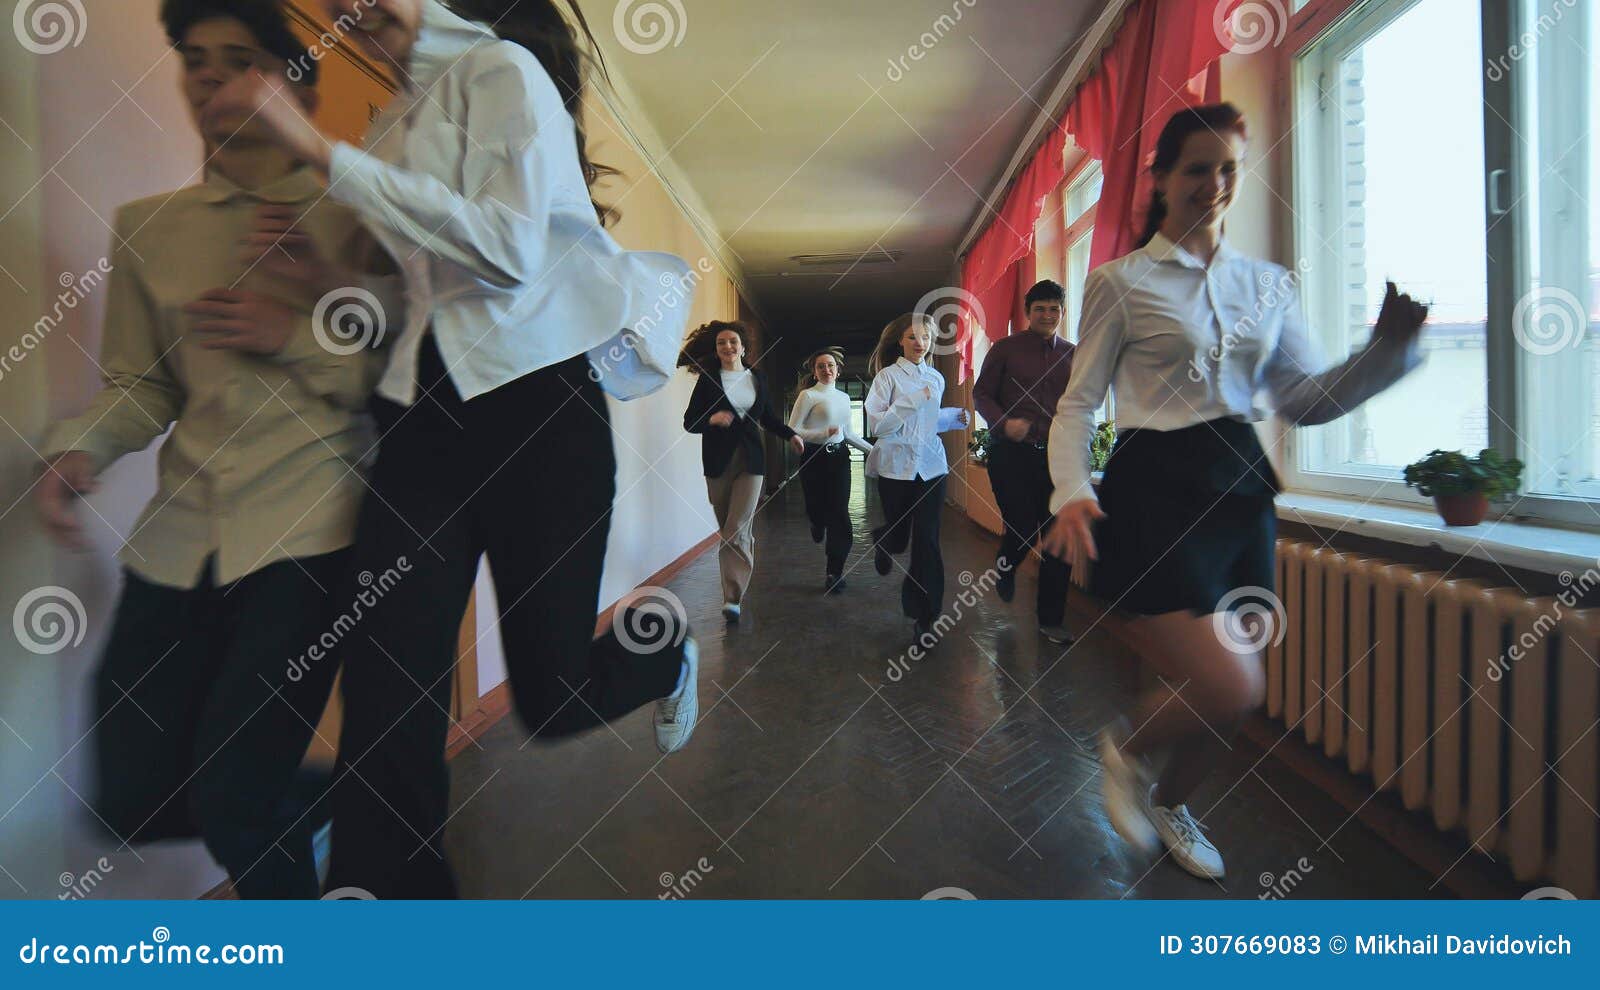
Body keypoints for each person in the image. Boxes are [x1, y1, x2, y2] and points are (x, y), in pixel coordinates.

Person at [200, 0, 702, 898]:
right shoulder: (394, 119)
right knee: (388, 696)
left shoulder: (501, 71)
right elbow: (428, 301)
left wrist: (323, 156)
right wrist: (325, 283)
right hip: (423, 423)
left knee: (551, 702)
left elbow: (509, 253)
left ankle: (667, 654)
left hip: (540, 417)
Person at [32, 0, 394, 899]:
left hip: (310, 537)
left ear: (291, 85)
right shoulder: (149, 227)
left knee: (236, 799)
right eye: (197, 61)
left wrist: (296, 333)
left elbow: (407, 380)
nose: (213, 82)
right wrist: (79, 452)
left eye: (240, 61)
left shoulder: (358, 211)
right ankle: (359, 797)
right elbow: (143, 383)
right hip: (178, 535)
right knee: (130, 798)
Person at [1041, 103, 1427, 881]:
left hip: (1241, 486)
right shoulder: (1121, 281)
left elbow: (1305, 400)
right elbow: (1080, 401)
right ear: (1159, 179)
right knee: (1228, 678)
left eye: (1227, 169)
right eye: (1195, 168)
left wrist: (1384, 354)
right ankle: (1126, 747)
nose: (1213, 184)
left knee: (1233, 698)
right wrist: (1070, 491)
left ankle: (1171, 803)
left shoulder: (1269, 284)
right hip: (1156, 484)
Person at [972, 278, 1077, 644]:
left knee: (1058, 538)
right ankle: (1006, 566)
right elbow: (981, 394)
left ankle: (1051, 620)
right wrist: (1004, 424)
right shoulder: (1004, 349)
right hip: (1010, 454)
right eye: (1040, 309)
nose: (1047, 315)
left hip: (1056, 457)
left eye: (1054, 309)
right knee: (1020, 526)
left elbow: (1081, 405)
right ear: (1027, 313)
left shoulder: (1073, 354)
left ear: (1062, 313)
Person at [680, 321, 804, 620]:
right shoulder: (708, 379)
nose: (727, 347)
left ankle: (732, 598)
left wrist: (791, 435)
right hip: (718, 461)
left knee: (736, 528)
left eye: (733, 342)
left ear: (743, 347)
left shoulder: (757, 378)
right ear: (717, 349)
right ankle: (742, 552)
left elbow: (769, 418)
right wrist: (712, 418)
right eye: (721, 343)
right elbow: (690, 421)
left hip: (752, 460)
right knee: (730, 529)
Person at [865, 314, 970, 641]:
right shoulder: (887, 378)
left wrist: (951, 418)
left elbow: (926, 423)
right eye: (913, 337)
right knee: (900, 536)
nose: (920, 343)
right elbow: (878, 427)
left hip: (932, 467)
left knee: (927, 540)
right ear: (901, 340)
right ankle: (885, 540)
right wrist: (911, 401)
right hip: (896, 467)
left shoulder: (936, 378)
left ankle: (926, 615)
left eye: (925, 337)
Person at [788, 347, 872, 593]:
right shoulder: (808, 396)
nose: (827, 370)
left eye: (831, 365)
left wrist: (873, 450)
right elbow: (793, 429)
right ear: (815, 372)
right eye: (821, 366)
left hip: (839, 459)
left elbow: (848, 434)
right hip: (813, 458)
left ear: (838, 370)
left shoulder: (844, 399)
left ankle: (834, 572)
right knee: (817, 508)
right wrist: (822, 433)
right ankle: (816, 522)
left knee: (839, 514)